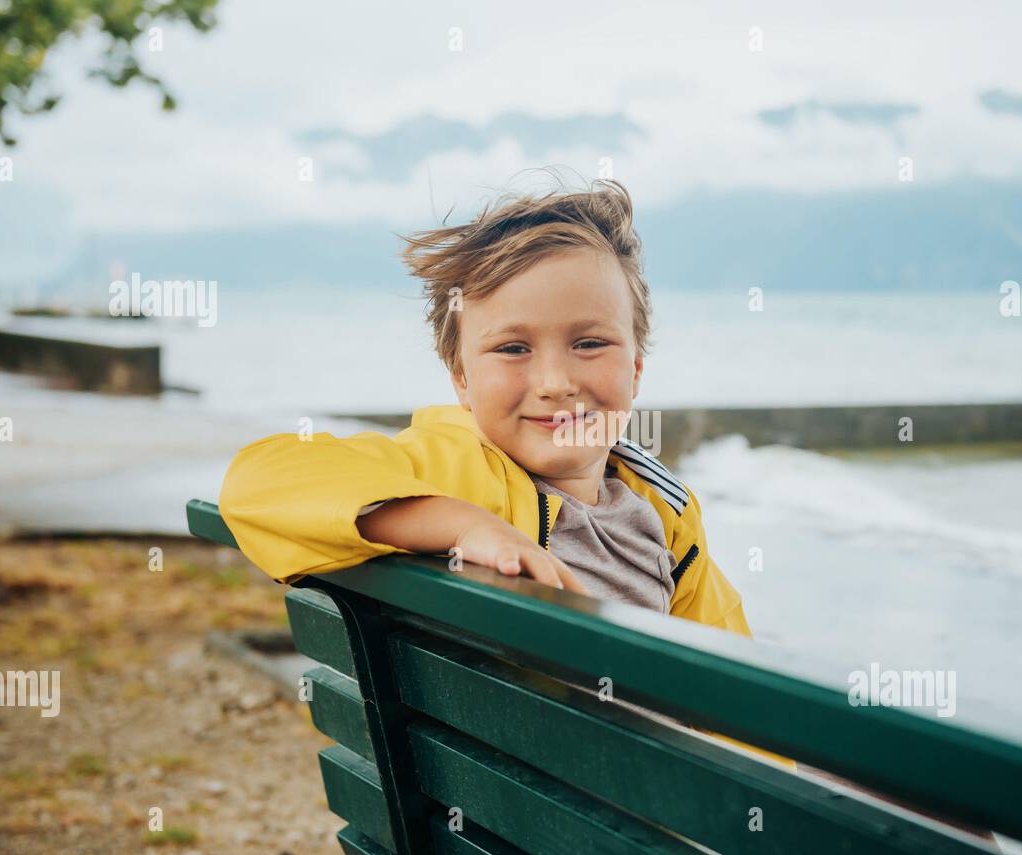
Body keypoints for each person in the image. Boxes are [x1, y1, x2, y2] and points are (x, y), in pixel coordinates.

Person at [218, 177, 794, 771]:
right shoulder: (453, 467)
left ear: (637, 370)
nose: (554, 382)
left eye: (590, 343)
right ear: (460, 378)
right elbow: (257, 480)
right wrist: (462, 523)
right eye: (513, 349)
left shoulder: (666, 514)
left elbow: (734, 685)